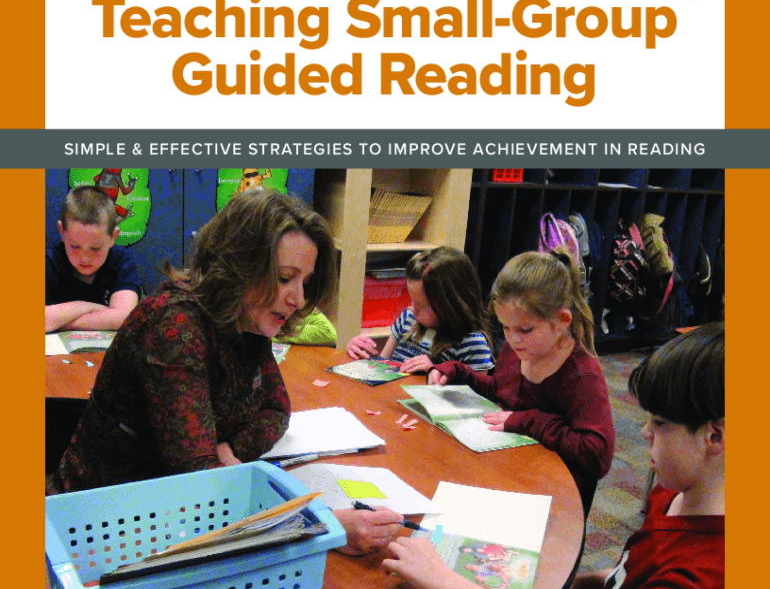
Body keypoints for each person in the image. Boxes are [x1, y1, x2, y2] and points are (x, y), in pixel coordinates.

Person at [47, 191, 406, 555]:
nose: (298, 298)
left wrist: (231, 448)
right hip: (101, 533)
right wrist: (324, 523)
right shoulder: (176, 324)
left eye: (304, 282)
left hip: (161, 520)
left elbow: (276, 410)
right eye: (285, 277)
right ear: (238, 266)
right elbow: (202, 491)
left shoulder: (248, 317)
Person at [383, 323, 725, 589]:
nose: (645, 432)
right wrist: (586, 583)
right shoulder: (678, 492)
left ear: (714, 436)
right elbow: (639, 575)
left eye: (661, 423)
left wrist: (441, 580)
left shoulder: (705, 582)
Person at [427, 249, 614, 515]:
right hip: (509, 472)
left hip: (552, 500)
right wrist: (459, 372)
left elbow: (597, 455)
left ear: (562, 321)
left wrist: (528, 420)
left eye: (525, 329)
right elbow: (501, 391)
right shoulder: (519, 349)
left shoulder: (582, 375)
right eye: (505, 327)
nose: (513, 339)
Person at [346, 246, 493, 374]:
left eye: (421, 304)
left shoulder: (473, 344)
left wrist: (433, 372)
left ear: (451, 305)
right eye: (412, 300)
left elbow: (476, 395)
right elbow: (381, 366)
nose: (413, 309)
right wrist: (362, 353)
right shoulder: (407, 319)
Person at [45, 186, 141, 332]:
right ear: (62, 232)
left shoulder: (121, 261)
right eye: (75, 246)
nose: (85, 258)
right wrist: (87, 307)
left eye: (95, 248)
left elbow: (124, 318)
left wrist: (57, 322)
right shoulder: (50, 262)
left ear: (113, 237)